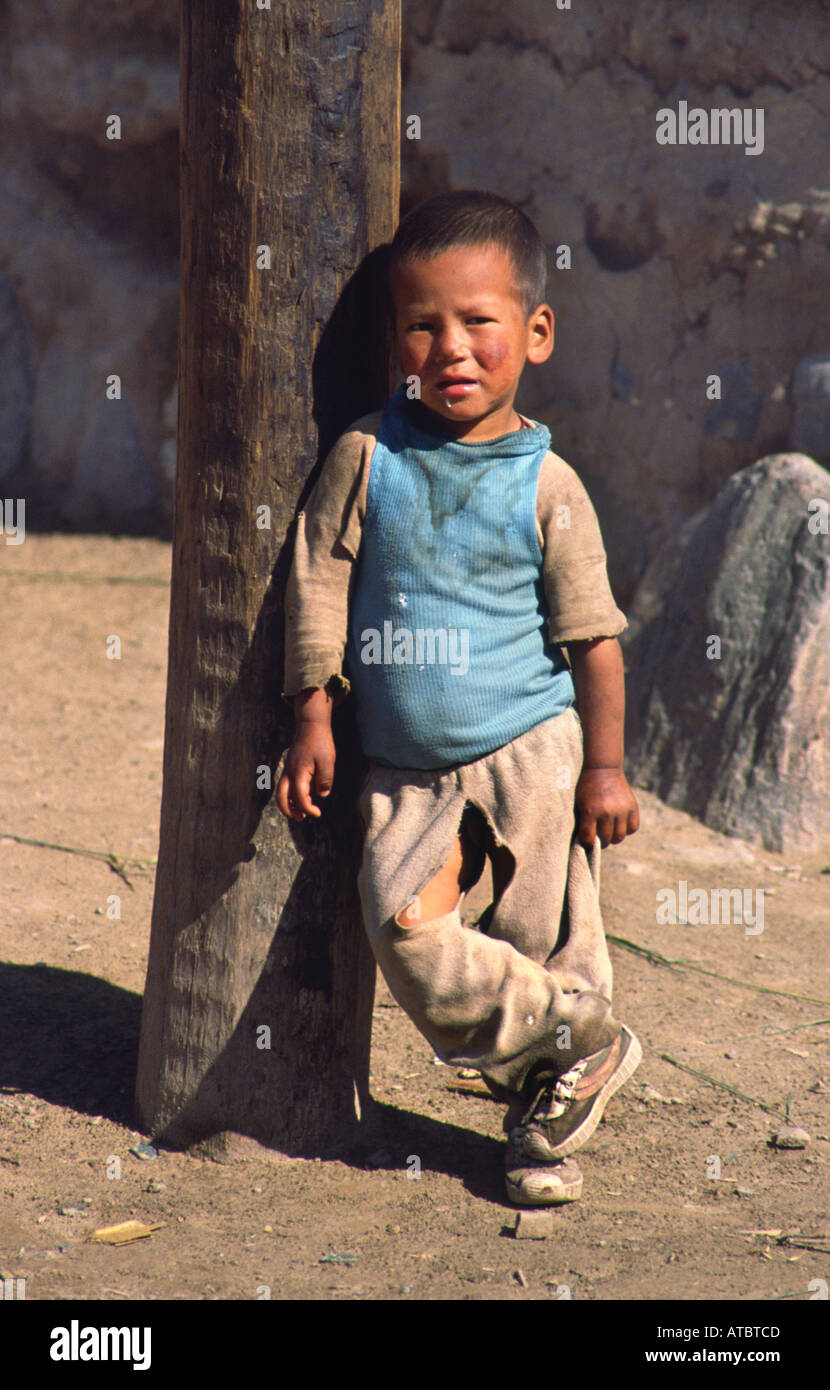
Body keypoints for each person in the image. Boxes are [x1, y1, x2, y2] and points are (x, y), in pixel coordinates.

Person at [277, 189, 641, 1206]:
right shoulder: (367, 455)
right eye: (421, 326)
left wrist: (604, 769)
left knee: (547, 934)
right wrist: (311, 711)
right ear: (395, 338)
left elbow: (594, 642)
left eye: (477, 322)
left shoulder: (547, 485)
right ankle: (584, 1037)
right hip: (403, 770)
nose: (450, 349)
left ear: (533, 332)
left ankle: (544, 1132)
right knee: (407, 933)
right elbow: (316, 579)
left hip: (533, 750)